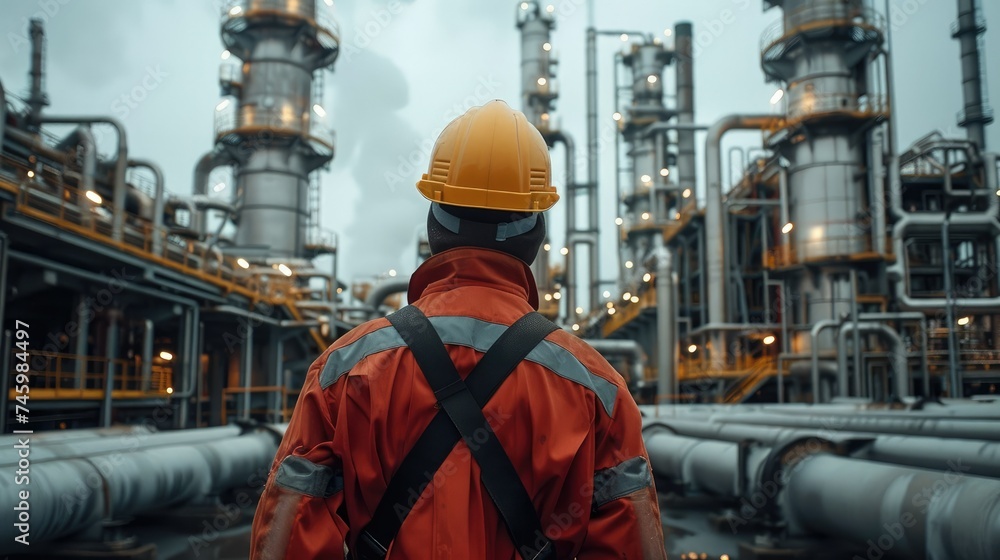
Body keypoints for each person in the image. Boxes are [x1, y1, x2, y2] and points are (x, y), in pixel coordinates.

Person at [250, 100, 666, 559]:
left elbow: (289, 538)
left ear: (435, 224)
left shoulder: (344, 371)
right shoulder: (597, 390)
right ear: (535, 233)